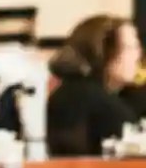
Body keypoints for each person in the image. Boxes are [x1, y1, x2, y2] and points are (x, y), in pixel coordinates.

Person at [46, 14, 143, 156]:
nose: (138, 55)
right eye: (130, 48)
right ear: (103, 52)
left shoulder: (63, 93)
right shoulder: (104, 106)